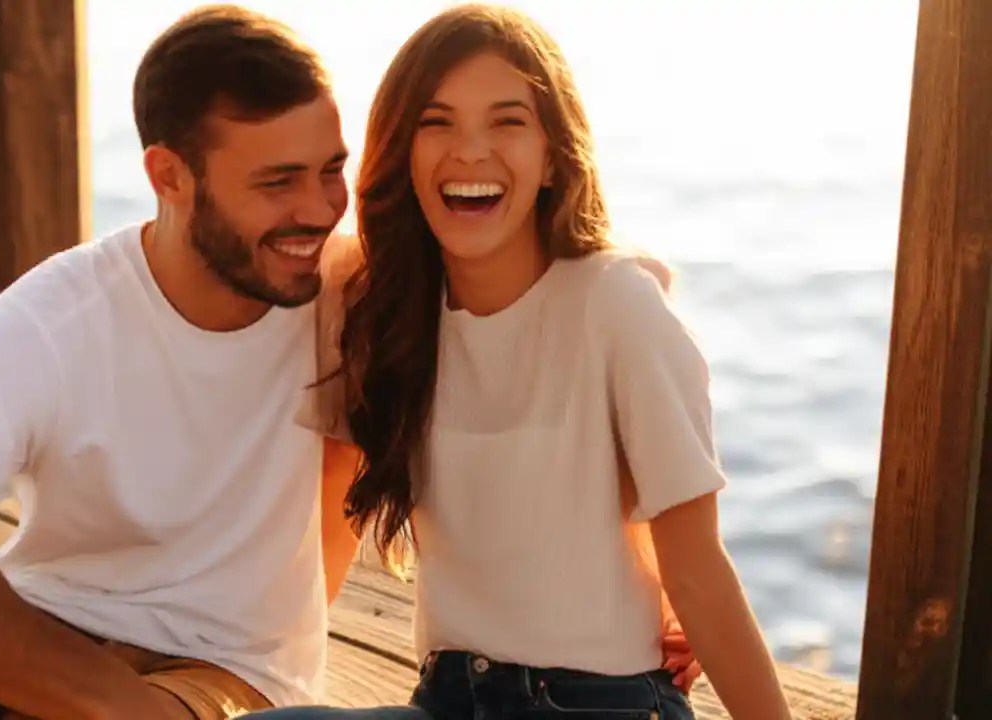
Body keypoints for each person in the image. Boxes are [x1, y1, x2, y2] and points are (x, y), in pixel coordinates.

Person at [0, 6, 364, 719]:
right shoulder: (60, 316)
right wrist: (111, 704)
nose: (318, 210)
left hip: (223, 668)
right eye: (278, 182)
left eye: (332, 169)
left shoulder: (349, 294)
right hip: (59, 627)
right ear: (171, 177)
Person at [247, 4, 791, 719]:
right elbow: (331, 526)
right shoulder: (371, 301)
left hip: (603, 702)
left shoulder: (617, 306)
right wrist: (271, 679)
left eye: (507, 122)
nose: (470, 152)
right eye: (436, 122)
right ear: (402, 152)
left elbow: (699, 577)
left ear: (553, 156)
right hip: (447, 701)